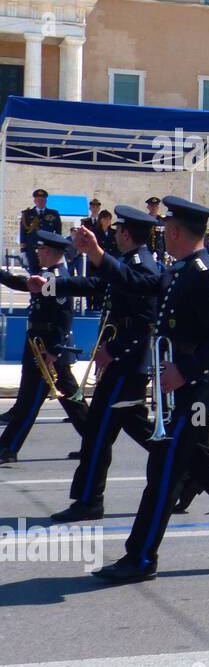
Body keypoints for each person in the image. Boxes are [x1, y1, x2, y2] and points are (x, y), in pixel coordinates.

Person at [90, 197, 209, 584]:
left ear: (175, 232)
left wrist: (184, 371)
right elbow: (138, 281)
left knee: (162, 472)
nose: (163, 237)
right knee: (203, 466)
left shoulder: (204, 274)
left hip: (194, 392)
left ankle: (140, 558)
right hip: (181, 390)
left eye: (166, 231)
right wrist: (97, 255)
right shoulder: (180, 270)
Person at [45, 207, 161, 521]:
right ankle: (189, 469)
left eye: (118, 231)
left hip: (126, 365)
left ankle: (89, 500)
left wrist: (115, 350)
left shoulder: (142, 267)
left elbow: (145, 321)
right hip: (118, 364)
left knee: (97, 432)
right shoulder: (126, 263)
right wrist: (45, 286)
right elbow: (92, 285)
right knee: (137, 428)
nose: (115, 236)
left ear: (125, 234)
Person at [0, 232, 89, 462]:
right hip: (39, 344)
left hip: (48, 350)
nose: (37, 253)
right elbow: (24, 284)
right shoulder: (46, 276)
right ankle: (94, 442)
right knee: (72, 401)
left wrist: (54, 350)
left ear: (49, 252)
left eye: (40, 250)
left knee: (30, 399)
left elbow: (64, 316)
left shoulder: (58, 278)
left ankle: (8, 447)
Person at [19, 188, 62, 271]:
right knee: (35, 275)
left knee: (49, 277)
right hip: (32, 250)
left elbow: (58, 233)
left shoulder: (53, 213)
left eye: (43, 200)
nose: (40, 202)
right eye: (38, 200)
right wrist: (23, 251)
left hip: (48, 251)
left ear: (46, 201)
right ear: (34, 201)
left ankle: (49, 284)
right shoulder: (27, 214)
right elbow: (23, 233)